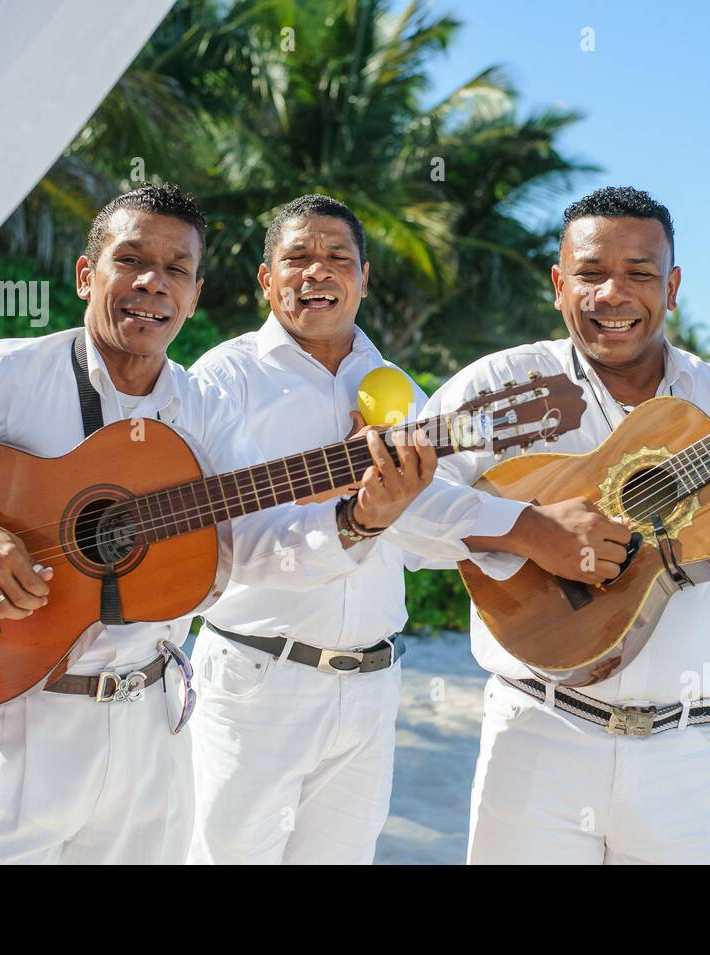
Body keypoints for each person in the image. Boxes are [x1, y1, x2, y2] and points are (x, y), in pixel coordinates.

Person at [0, 184, 434, 864]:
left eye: (177, 269)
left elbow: (257, 541)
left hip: (153, 734)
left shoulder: (202, 409)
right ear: (85, 274)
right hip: (17, 721)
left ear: (195, 295)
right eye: (131, 260)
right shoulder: (4, 376)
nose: (153, 283)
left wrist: (360, 519)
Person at [405, 185, 710, 864]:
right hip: (535, 735)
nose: (613, 293)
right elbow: (404, 511)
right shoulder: (502, 385)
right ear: (558, 284)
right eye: (590, 272)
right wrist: (527, 528)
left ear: (671, 289)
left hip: (685, 760)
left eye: (639, 273)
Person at [186, 194, 530, 864]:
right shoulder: (225, 376)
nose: (318, 271)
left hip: (371, 684)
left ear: (364, 278)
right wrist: (341, 491)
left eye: (338, 257)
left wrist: (522, 526)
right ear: (266, 280)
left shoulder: (395, 383)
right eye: (298, 257)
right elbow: (214, 527)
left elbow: (429, 529)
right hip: (256, 679)